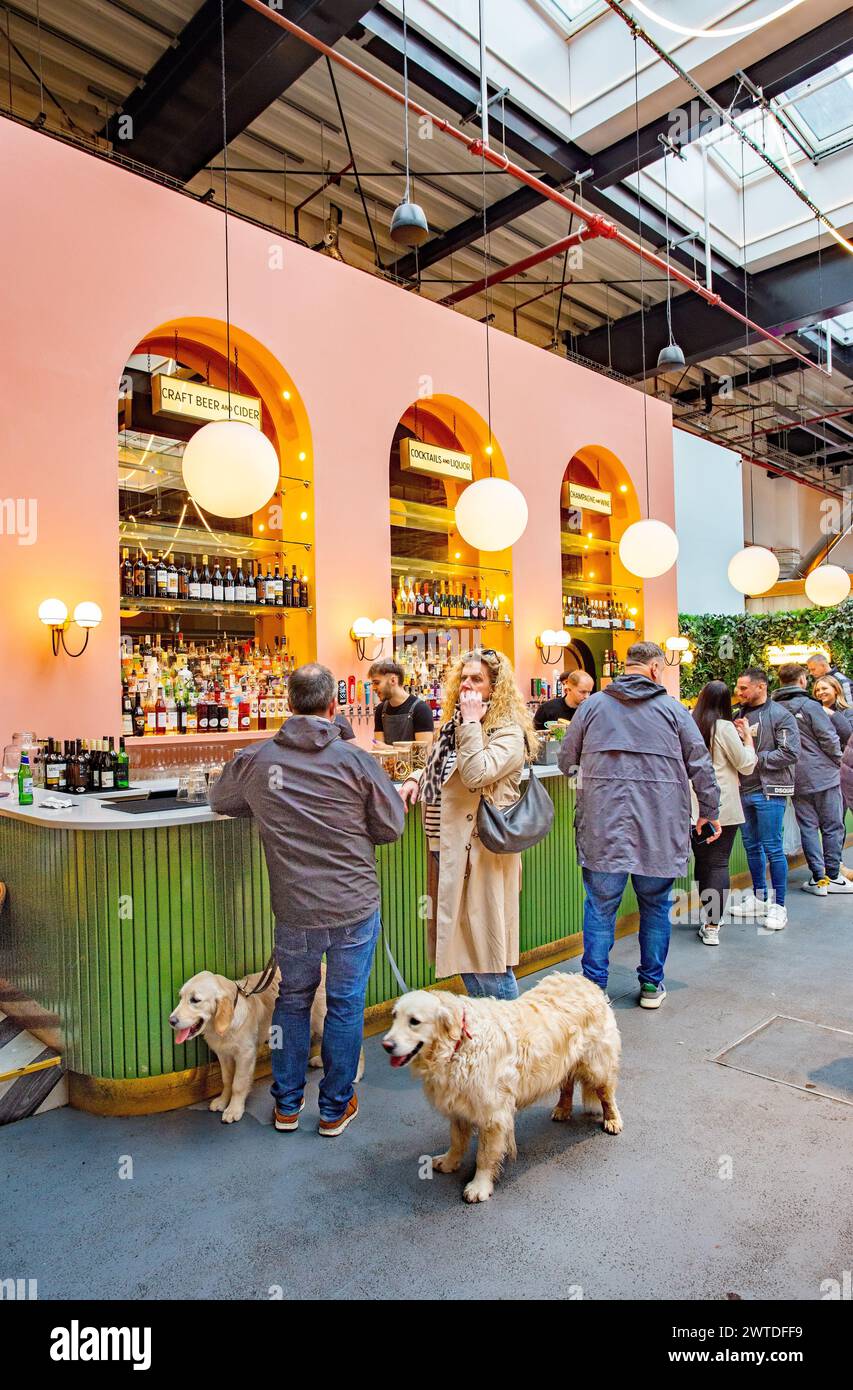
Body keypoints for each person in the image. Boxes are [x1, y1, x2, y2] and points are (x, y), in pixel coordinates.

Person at [209, 663, 405, 1137]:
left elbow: (221, 801)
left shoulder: (255, 760)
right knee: (343, 1004)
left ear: (288, 703)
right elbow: (391, 828)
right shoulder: (356, 761)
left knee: (292, 1004)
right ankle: (335, 1109)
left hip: (295, 908)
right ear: (334, 705)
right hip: (353, 903)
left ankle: (287, 1107)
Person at [558, 641, 720, 1009]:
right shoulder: (674, 711)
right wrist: (709, 809)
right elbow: (701, 765)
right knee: (655, 906)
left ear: (626, 666)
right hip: (660, 828)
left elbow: (568, 761)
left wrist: (595, 780)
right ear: (656, 669)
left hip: (602, 826)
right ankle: (651, 985)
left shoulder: (592, 706)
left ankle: (593, 990)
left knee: (600, 908)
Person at [398, 647, 539, 1000]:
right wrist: (417, 776)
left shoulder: (508, 733)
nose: (467, 686)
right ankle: (492, 1034)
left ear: (496, 686)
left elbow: (476, 774)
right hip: (444, 848)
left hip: (481, 852)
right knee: (459, 947)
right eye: (463, 678)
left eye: (477, 679)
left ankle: (513, 1037)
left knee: (486, 954)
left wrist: (473, 722)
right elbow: (442, 767)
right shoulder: (453, 726)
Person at [728, 668, 800, 929]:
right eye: (738, 687)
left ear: (761, 687)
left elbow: (790, 752)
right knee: (751, 847)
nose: (739, 692)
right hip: (743, 791)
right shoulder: (738, 714)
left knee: (772, 847)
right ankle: (760, 898)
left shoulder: (781, 715)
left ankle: (779, 905)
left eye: (744, 688)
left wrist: (755, 759)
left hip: (771, 791)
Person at [771, 663, 850, 897]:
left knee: (808, 827)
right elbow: (829, 738)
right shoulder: (810, 706)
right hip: (824, 775)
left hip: (794, 777)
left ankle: (819, 878)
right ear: (803, 680)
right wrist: (838, 762)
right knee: (832, 825)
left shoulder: (774, 708)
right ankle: (834, 875)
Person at [690, 681, 757, 946]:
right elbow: (746, 765)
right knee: (718, 862)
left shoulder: (689, 725)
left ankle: (708, 916)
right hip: (722, 806)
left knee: (702, 861)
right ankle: (713, 924)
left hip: (693, 806)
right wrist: (749, 740)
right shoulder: (724, 727)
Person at [368, 657, 434, 746]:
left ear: (393, 680)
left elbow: (423, 754)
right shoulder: (380, 710)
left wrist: (389, 750)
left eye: (377, 683)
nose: (373, 688)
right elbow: (379, 749)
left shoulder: (421, 709)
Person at [812, 675, 853, 749]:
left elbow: (849, 736)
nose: (820, 692)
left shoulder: (848, 711)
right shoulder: (814, 711)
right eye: (817, 690)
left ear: (836, 690)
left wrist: (832, 714)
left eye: (824, 688)